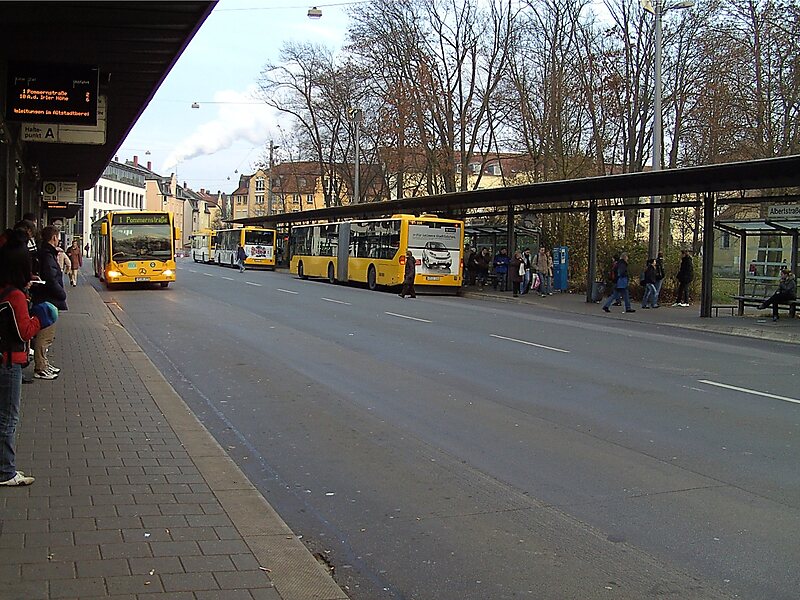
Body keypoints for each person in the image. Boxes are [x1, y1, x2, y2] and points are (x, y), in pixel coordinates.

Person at [0, 233, 58, 486]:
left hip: (5, 358)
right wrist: (41, 318)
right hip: (9, 362)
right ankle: (6, 471)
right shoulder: (15, 297)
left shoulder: (6, 289)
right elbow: (24, 331)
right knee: (8, 418)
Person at [31, 226, 68, 380]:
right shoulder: (48, 255)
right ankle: (41, 367)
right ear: (54, 237)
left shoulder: (46, 253)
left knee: (47, 335)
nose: (58, 240)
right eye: (58, 237)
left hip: (46, 298)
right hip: (48, 300)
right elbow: (52, 279)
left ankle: (44, 363)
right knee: (45, 335)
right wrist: (62, 294)